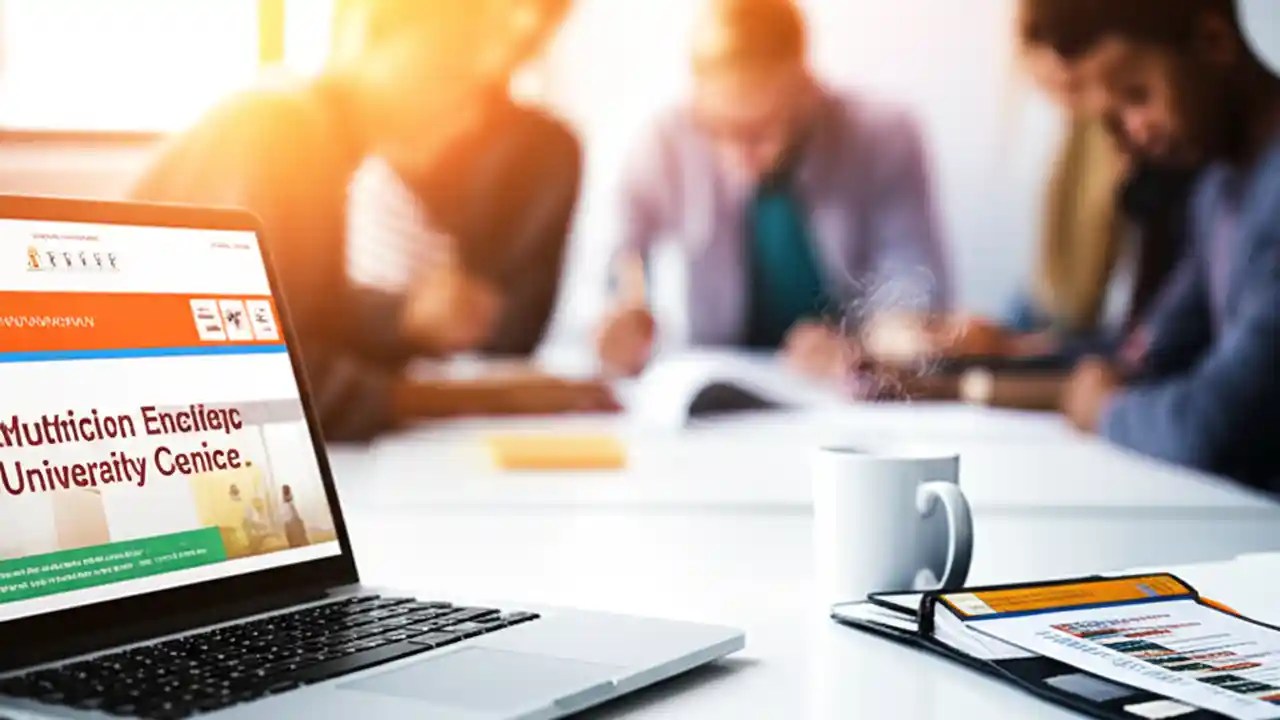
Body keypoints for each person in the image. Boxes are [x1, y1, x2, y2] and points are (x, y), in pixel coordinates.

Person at [131, 0, 616, 442]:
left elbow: (309, 323)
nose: (470, 117)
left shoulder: (319, 144)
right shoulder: (277, 130)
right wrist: (486, 400)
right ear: (366, 32)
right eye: (450, 73)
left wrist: (409, 323)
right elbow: (266, 377)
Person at [596, 0, 951, 377]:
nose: (738, 155)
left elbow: (913, 282)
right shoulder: (665, 138)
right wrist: (616, 319)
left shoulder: (882, 135)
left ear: (805, 89)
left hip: (840, 386)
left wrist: (864, 345)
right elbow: (612, 260)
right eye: (717, 129)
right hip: (717, 378)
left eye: (758, 132)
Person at [1036, 0, 1280, 489]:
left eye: (1138, 96)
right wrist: (965, 373)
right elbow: (1145, 348)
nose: (1134, 135)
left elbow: (1207, 428)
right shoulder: (1215, 188)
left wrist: (1103, 407)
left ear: (1213, 42)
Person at [343, 0, 580, 357]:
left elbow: (514, 330)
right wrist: (402, 313)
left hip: (454, 389)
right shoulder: (306, 128)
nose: (528, 23)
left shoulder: (549, 153)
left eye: (550, 9)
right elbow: (296, 316)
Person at [278, 485, 310, 549]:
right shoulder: (284, 501)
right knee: (294, 537)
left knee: (297, 537)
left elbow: (292, 507)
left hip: (292, 518)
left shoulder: (289, 500)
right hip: (290, 519)